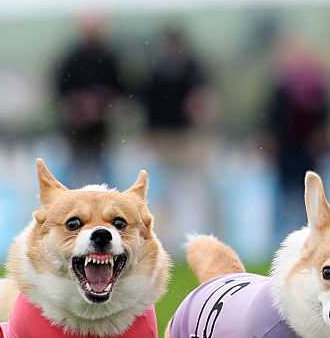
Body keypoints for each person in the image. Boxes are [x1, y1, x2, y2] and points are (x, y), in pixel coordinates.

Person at [139, 26, 214, 250]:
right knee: (166, 192)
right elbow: (149, 106)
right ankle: (168, 239)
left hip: (188, 137)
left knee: (190, 189)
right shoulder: (157, 71)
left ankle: (192, 237)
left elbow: (202, 103)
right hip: (165, 138)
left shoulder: (193, 69)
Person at [262, 38, 330, 240]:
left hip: (310, 153)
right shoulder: (280, 88)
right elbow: (271, 118)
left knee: (313, 198)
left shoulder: (318, 87)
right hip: (286, 153)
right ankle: (283, 240)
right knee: (284, 200)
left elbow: (327, 119)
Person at [52, 13, 125, 187]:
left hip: (101, 130)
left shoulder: (109, 57)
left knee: (108, 177)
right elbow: (60, 91)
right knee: (67, 176)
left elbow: (120, 90)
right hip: (75, 131)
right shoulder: (71, 58)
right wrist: (79, 106)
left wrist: (101, 105)